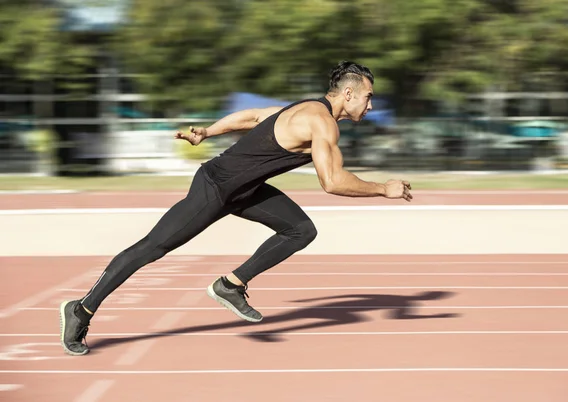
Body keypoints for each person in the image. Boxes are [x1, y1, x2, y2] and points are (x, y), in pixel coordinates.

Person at [59, 60, 413, 356]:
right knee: (152, 248)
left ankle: (231, 285)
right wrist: (383, 189)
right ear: (348, 93)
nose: (370, 106)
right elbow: (332, 181)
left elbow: (255, 117)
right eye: (368, 97)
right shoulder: (320, 122)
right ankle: (82, 309)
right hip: (217, 188)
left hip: (246, 190)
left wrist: (207, 132)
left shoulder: (307, 109)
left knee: (301, 229)